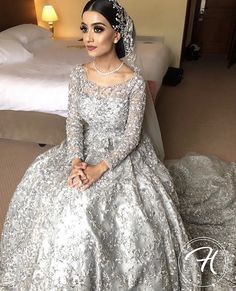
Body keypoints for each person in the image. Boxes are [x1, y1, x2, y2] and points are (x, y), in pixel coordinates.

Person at [0, 0, 201, 289]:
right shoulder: (78, 74)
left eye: (98, 29)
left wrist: (98, 169)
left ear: (116, 35)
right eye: (84, 29)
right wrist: (76, 162)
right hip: (83, 149)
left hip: (121, 153)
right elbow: (74, 123)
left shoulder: (133, 81)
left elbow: (132, 135)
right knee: (53, 193)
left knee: (116, 209)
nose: (88, 38)